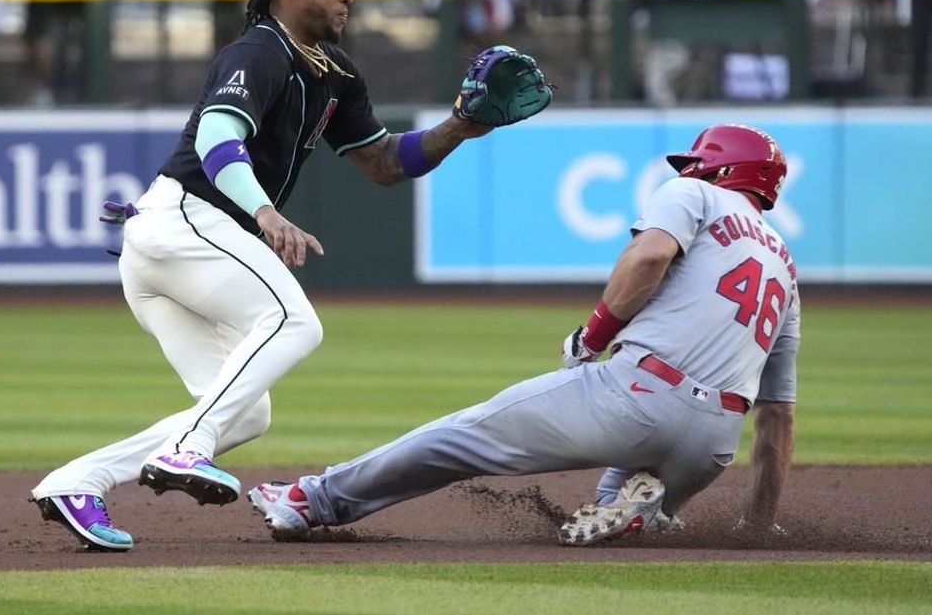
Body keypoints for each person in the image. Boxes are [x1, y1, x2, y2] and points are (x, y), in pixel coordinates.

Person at [32, 0, 509, 550]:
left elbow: (387, 162)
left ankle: (76, 481)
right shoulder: (257, 53)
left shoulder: (335, 72)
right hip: (190, 220)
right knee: (293, 323)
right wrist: (266, 212)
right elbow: (215, 141)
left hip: (170, 245)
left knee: (244, 410)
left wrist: (460, 127)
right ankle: (185, 450)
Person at [250, 124, 799, 546]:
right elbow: (778, 416)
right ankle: (644, 511)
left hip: (640, 396)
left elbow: (651, 253)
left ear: (723, 170)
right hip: (714, 438)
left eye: (700, 164)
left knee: (460, 435)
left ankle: (311, 500)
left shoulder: (694, 194)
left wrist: (592, 336)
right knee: (615, 500)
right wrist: (758, 523)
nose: (692, 170)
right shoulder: (787, 271)